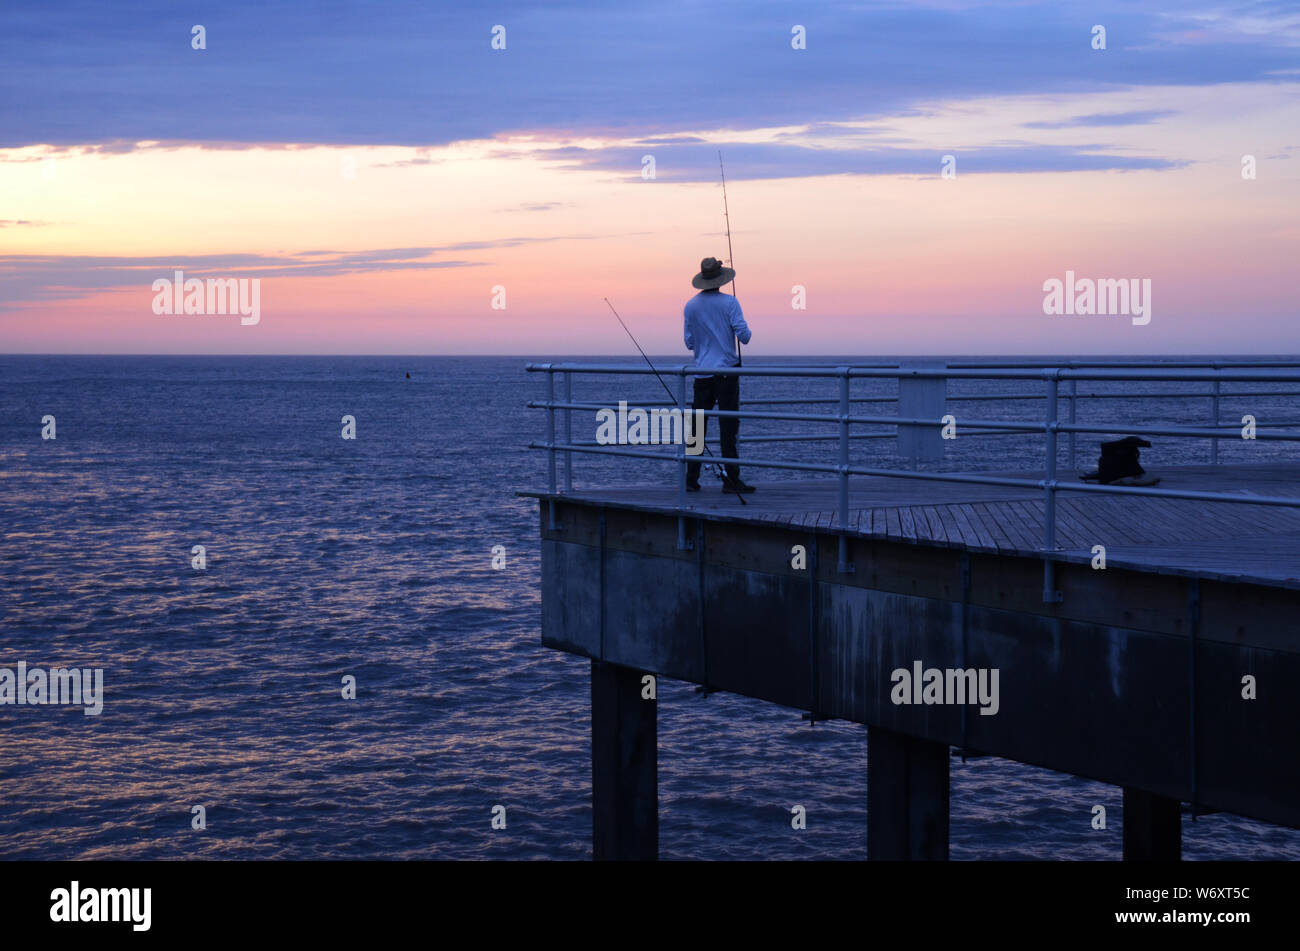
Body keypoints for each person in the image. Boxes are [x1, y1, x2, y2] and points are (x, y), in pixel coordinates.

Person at [683, 256, 754, 493]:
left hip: (702, 374)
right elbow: (744, 335)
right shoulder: (730, 303)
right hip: (726, 373)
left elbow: (689, 343)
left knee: (697, 429)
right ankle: (731, 480)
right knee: (728, 428)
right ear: (721, 279)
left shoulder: (690, 306)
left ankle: (691, 479)